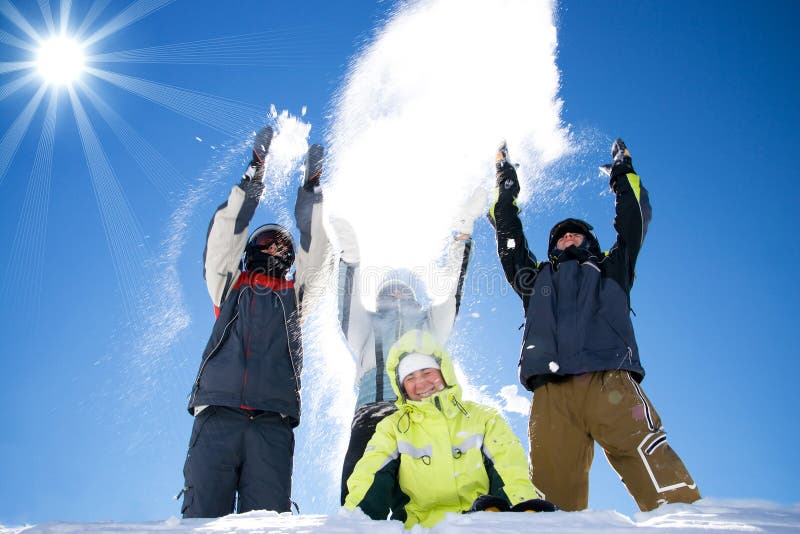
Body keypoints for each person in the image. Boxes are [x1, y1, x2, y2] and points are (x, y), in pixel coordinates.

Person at [488, 138, 701, 512]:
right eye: (561, 235)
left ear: (591, 241)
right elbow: (509, 241)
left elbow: (634, 222)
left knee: (651, 464)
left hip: (610, 379)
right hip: (552, 393)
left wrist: (623, 173)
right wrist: (506, 185)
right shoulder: (534, 280)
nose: (568, 236)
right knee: (551, 496)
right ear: (553, 247)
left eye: (577, 233)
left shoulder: (611, 268)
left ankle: (685, 519)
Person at [294, 145, 478, 505]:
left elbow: (450, 291)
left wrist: (461, 238)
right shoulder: (365, 332)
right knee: (361, 504)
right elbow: (347, 304)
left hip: (426, 417)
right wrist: (351, 261)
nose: (396, 298)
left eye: (403, 293)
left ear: (412, 299)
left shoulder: (431, 327)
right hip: (372, 415)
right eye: (389, 293)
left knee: (426, 505)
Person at [179, 127, 326, 517]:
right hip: (218, 415)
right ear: (251, 252)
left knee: (266, 521)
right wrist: (254, 174)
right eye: (267, 242)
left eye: (283, 246)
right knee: (203, 516)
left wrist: (311, 193)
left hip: (272, 423)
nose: (275, 248)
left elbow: (319, 252)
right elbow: (223, 237)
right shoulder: (230, 285)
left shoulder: (296, 298)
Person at [344, 330, 555, 528]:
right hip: (420, 529)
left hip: (482, 523)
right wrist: (357, 521)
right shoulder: (393, 427)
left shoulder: (482, 417)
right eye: (410, 378)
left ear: (443, 372)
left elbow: (507, 464)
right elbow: (371, 473)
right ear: (402, 387)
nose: (421, 383)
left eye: (427, 372)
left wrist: (520, 503)